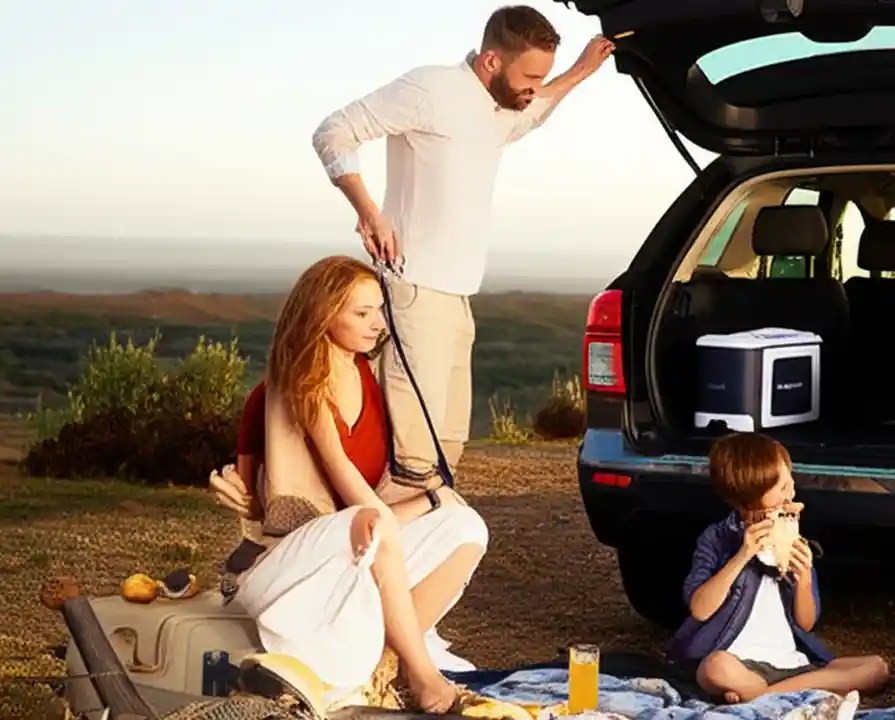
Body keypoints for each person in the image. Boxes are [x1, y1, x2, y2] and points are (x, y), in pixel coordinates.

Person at [309, 6, 614, 491]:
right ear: (492, 61)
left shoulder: (497, 110)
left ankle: (424, 554)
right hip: (415, 290)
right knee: (414, 457)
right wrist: (368, 211)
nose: (535, 85)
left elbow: (532, 111)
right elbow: (332, 132)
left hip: (457, 296)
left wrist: (580, 71)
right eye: (529, 74)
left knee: (448, 446)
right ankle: (376, 556)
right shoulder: (429, 88)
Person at [209, 256, 488, 713]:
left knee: (466, 525)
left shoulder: (368, 380)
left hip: (347, 541)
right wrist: (229, 488)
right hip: (283, 567)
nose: (378, 324)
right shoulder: (284, 388)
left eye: (379, 310)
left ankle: (387, 665)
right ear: (322, 314)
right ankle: (422, 677)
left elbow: (372, 502)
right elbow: (269, 505)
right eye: (361, 313)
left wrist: (432, 501)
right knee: (376, 519)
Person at [668, 432, 890, 704]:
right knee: (714, 668)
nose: (792, 494)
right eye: (783, 488)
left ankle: (763, 696)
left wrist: (804, 577)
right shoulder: (717, 539)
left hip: (790, 665)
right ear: (752, 491)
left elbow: (806, 624)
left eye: (791, 483)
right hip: (737, 664)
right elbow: (699, 608)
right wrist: (742, 555)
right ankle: (779, 692)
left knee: (876, 668)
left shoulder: (794, 538)